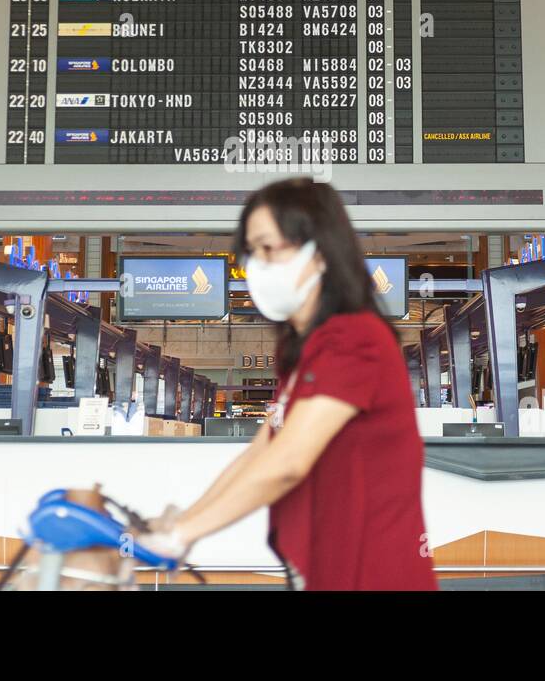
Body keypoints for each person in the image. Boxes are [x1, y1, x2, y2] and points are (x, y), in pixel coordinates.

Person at [148, 178, 437, 591]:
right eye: (251, 252)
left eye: (268, 248)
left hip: (371, 572)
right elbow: (263, 451)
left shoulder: (356, 339)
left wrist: (181, 536)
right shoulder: (303, 352)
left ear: (318, 252)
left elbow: (287, 465)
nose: (255, 266)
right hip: (322, 570)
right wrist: (182, 522)